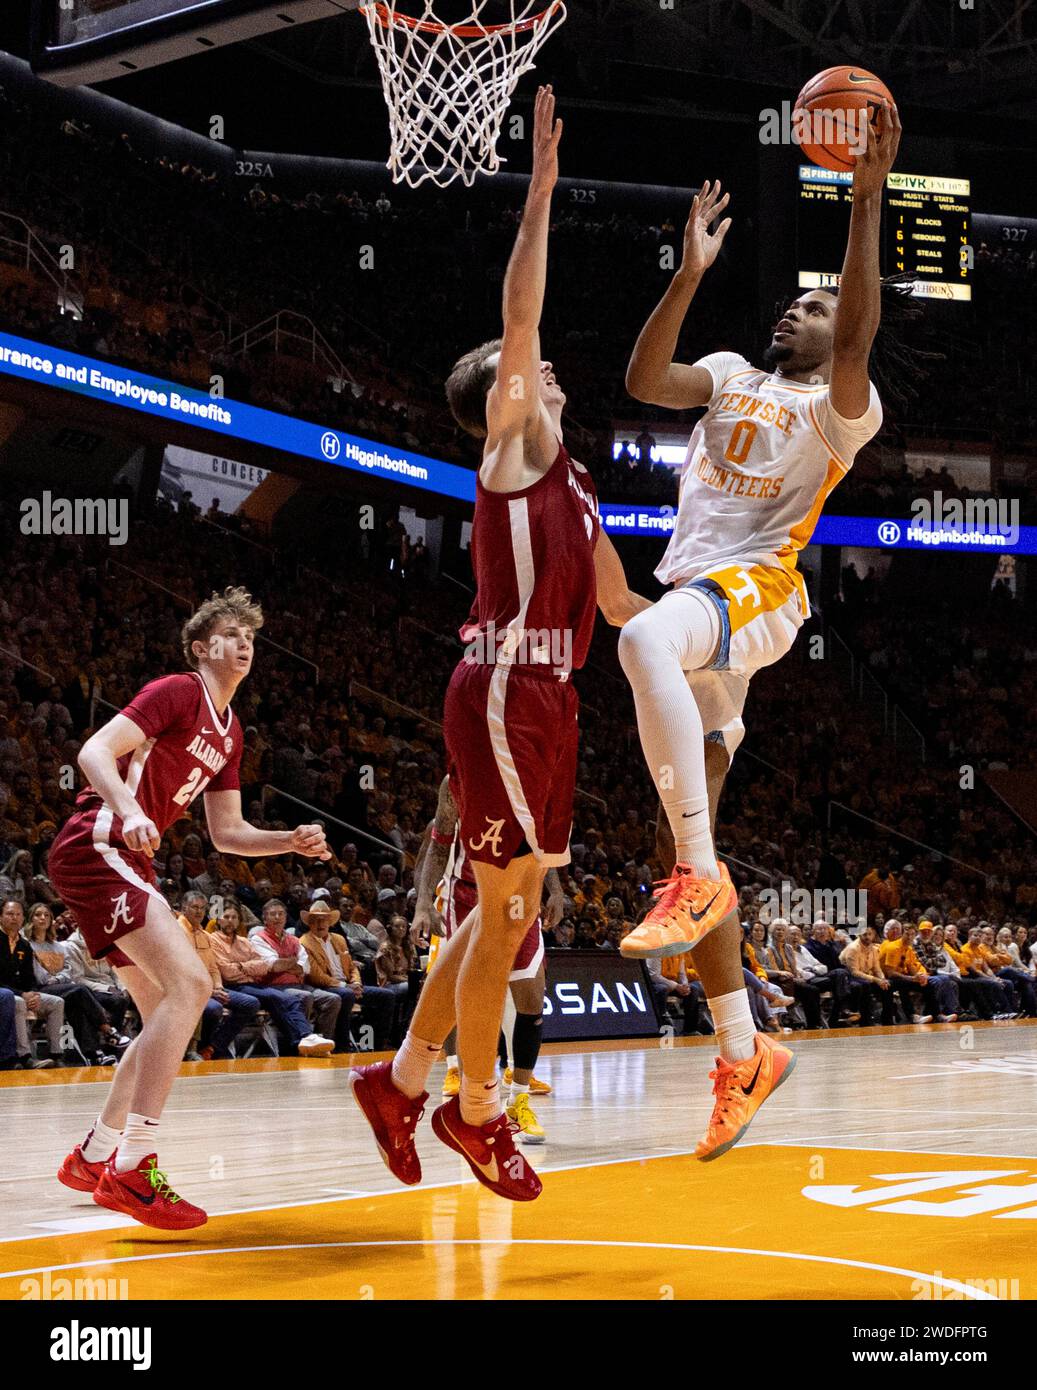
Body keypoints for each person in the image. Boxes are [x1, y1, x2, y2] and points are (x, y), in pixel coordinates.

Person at [351, 88, 644, 1202]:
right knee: (508, 910)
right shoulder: (512, 454)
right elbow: (520, 322)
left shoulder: (573, 485)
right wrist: (538, 192)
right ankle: (476, 1113)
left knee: (493, 918)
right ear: (501, 399)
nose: (547, 368)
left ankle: (402, 1079)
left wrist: (736, 602)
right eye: (525, 368)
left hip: (553, 702)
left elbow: (622, 607)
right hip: (503, 691)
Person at [616, 101, 906, 1159]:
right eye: (791, 300)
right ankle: (743, 1052)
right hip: (705, 606)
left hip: (753, 591)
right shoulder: (732, 372)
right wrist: (688, 273)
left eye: (815, 304)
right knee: (677, 836)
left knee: (638, 641)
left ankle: (692, 873)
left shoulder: (841, 409)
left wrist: (862, 199)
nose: (797, 309)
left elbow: (862, 325)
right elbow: (645, 381)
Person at [48, 586, 332, 1229]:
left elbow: (226, 833)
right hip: (99, 842)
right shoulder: (177, 690)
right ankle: (133, 1167)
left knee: (161, 1016)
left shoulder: (230, 733)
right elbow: (93, 751)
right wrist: (128, 807)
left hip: (126, 857)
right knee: (194, 982)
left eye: (252, 638)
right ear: (202, 647)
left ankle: (93, 1157)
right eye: (232, 634)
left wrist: (286, 840)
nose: (244, 645)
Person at [411, 775, 560, 1140]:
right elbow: (437, 846)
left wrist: (555, 890)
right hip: (466, 898)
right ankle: (471, 1097)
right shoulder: (456, 782)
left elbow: (547, 845)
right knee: (468, 999)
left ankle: (518, 1101)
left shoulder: (537, 774)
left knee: (531, 997)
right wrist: (421, 903)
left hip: (520, 896)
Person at [210, 900, 333, 1054]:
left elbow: (262, 966)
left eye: (234, 917)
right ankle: (303, 1037)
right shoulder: (213, 939)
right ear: (219, 920)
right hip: (231, 986)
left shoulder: (244, 942)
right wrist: (248, 966)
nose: (230, 921)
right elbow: (227, 972)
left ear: (239, 921)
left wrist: (242, 966)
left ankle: (303, 1040)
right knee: (281, 998)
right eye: (226, 917)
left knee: (285, 999)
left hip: (251, 985)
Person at [299, 899, 395, 1050]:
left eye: (324, 920)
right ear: (309, 923)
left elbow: (352, 967)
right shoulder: (304, 942)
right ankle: (342, 1046)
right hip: (326, 986)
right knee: (346, 995)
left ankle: (376, 1045)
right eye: (316, 920)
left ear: (330, 922)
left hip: (349, 985)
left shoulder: (339, 939)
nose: (320, 924)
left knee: (386, 996)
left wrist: (356, 983)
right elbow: (316, 976)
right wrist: (346, 986)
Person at [178, 890, 258, 1061]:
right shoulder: (177, 932)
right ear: (184, 909)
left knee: (250, 1003)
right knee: (213, 1008)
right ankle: (197, 1048)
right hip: (188, 989)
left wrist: (218, 987)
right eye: (194, 907)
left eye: (202, 908)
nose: (199, 911)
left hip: (211, 988)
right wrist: (210, 991)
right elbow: (184, 968)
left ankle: (213, 1047)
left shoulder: (204, 935)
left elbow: (213, 968)